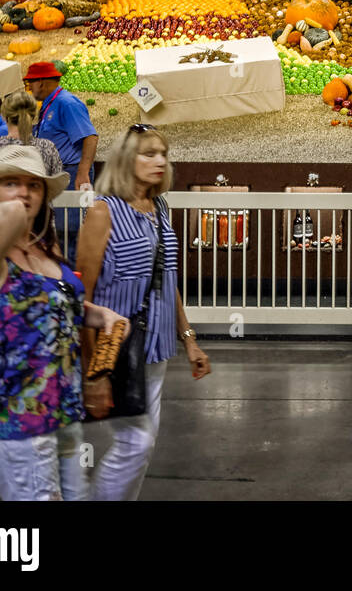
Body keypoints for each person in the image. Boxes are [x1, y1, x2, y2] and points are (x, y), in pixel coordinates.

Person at [0, 143, 127, 501]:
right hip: (17, 420)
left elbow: (64, 307)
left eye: (34, 185)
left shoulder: (46, 250)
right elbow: (5, 223)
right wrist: (11, 211)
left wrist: (103, 316)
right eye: (11, 183)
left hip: (63, 411)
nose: (24, 192)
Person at [76, 123, 211, 501]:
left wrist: (190, 341)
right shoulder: (104, 212)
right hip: (114, 345)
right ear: (125, 159)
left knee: (143, 444)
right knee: (136, 442)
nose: (159, 161)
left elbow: (167, 280)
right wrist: (94, 372)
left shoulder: (160, 207)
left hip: (154, 345)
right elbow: (80, 294)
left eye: (163, 153)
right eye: (148, 153)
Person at [24, 61, 98, 265]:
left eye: (30, 83)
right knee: (60, 232)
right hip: (58, 175)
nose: (29, 89)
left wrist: (83, 173)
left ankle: (72, 284)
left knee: (69, 230)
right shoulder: (50, 103)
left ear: (41, 82)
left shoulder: (67, 103)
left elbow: (90, 137)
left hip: (72, 173)